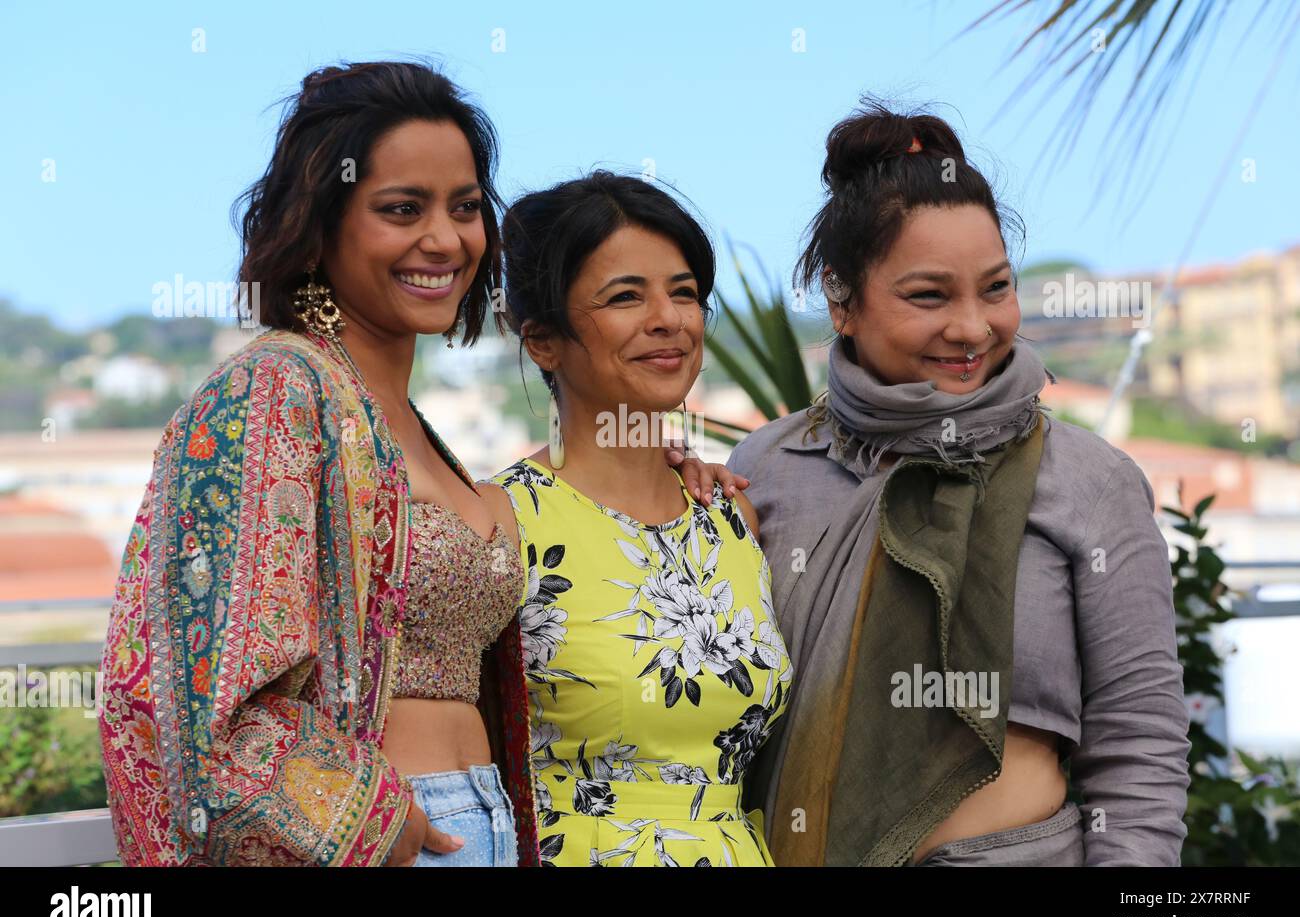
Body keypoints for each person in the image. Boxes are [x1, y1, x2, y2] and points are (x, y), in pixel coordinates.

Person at [96, 61, 737, 867]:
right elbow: (188, 694)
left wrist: (663, 460)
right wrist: (369, 820)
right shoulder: (278, 391)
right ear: (322, 223)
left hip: (486, 829)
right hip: (381, 841)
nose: (445, 239)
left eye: (465, 208)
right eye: (403, 209)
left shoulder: (410, 426)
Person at [729, 100, 1191, 866]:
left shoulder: (1088, 480)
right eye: (929, 296)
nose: (973, 327)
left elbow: (1138, 742)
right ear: (840, 300)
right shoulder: (764, 470)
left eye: (996, 288)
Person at [485, 172, 792, 866]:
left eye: (684, 293)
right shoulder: (502, 521)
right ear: (541, 341)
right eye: (626, 296)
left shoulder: (730, 516)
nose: (669, 318)